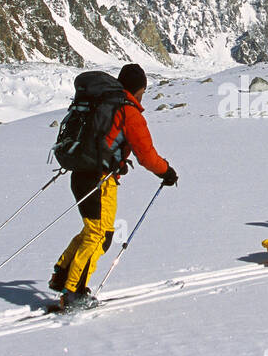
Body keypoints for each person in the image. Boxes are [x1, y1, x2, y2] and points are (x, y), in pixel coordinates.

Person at [50, 64, 177, 310]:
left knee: (92, 230)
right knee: (101, 235)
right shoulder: (128, 112)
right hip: (100, 180)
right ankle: (73, 292)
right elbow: (146, 155)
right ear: (139, 89)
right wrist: (167, 172)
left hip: (81, 174)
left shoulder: (103, 104)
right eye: (143, 89)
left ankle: (62, 276)